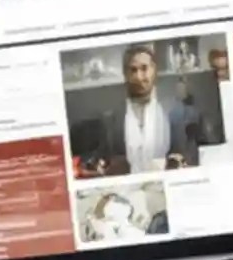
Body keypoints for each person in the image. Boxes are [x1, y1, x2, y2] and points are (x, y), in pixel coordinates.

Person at [79, 44, 200, 176]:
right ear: (125, 74)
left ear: (154, 70)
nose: (139, 77)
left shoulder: (178, 114)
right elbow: (96, 163)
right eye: (133, 70)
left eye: (144, 68)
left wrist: (177, 162)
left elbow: (191, 158)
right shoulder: (110, 121)